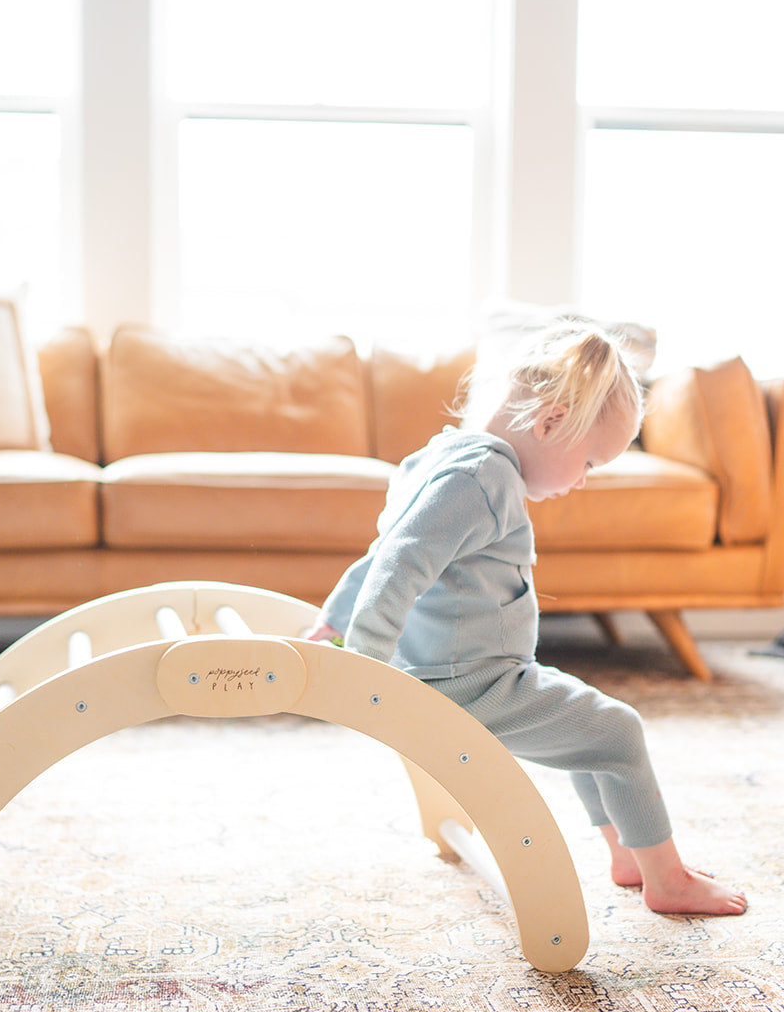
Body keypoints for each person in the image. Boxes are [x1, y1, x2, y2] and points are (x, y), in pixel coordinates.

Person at [307, 317, 746, 917]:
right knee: (618, 731)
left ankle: (628, 855)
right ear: (551, 423)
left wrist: (334, 618)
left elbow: (385, 552)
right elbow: (401, 564)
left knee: (590, 727)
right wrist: (365, 666)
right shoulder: (483, 478)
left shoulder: (439, 456)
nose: (584, 481)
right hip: (467, 685)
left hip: (470, 673)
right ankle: (667, 879)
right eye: (590, 461)